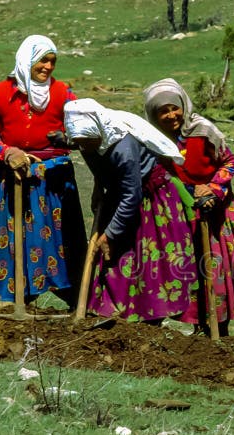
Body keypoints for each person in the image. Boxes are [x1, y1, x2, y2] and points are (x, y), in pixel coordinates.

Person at [63, 98, 197, 323]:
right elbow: (98, 162)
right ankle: (114, 311)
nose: (83, 146)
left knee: (147, 259)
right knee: (115, 260)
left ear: (99, 131)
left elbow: (131, 195)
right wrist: (99, 186)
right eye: (79, 143)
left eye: (87, 141)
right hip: (120, 192)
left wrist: (111, 233)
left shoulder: (123, 148)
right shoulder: (84, 138)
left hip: (149, 197)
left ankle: (149, 318)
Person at [0, 34, 86, 306]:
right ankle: (18, 299)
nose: (48, 67)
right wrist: (8, 152)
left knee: (61, 239)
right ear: (26, 61)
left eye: (53, 61)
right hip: (12, 176)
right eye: (42, 61)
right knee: (15, 238)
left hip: (54, 180)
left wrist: (67, 140)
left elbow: (83, 133)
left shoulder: (64, 93)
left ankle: (76, 299)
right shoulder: (0, 93)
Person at [143, 78, 234, 337]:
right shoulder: (153, 139)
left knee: (216, 268)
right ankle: (197, 325)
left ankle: (219, 327)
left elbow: (229, 163)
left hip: (217, 210)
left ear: (183, 105)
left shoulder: (202, 130)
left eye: (174, 108)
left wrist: (213, 188)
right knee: (189, 268)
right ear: (153, 115)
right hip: (183, 211)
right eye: (163, 111)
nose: (171, 115)